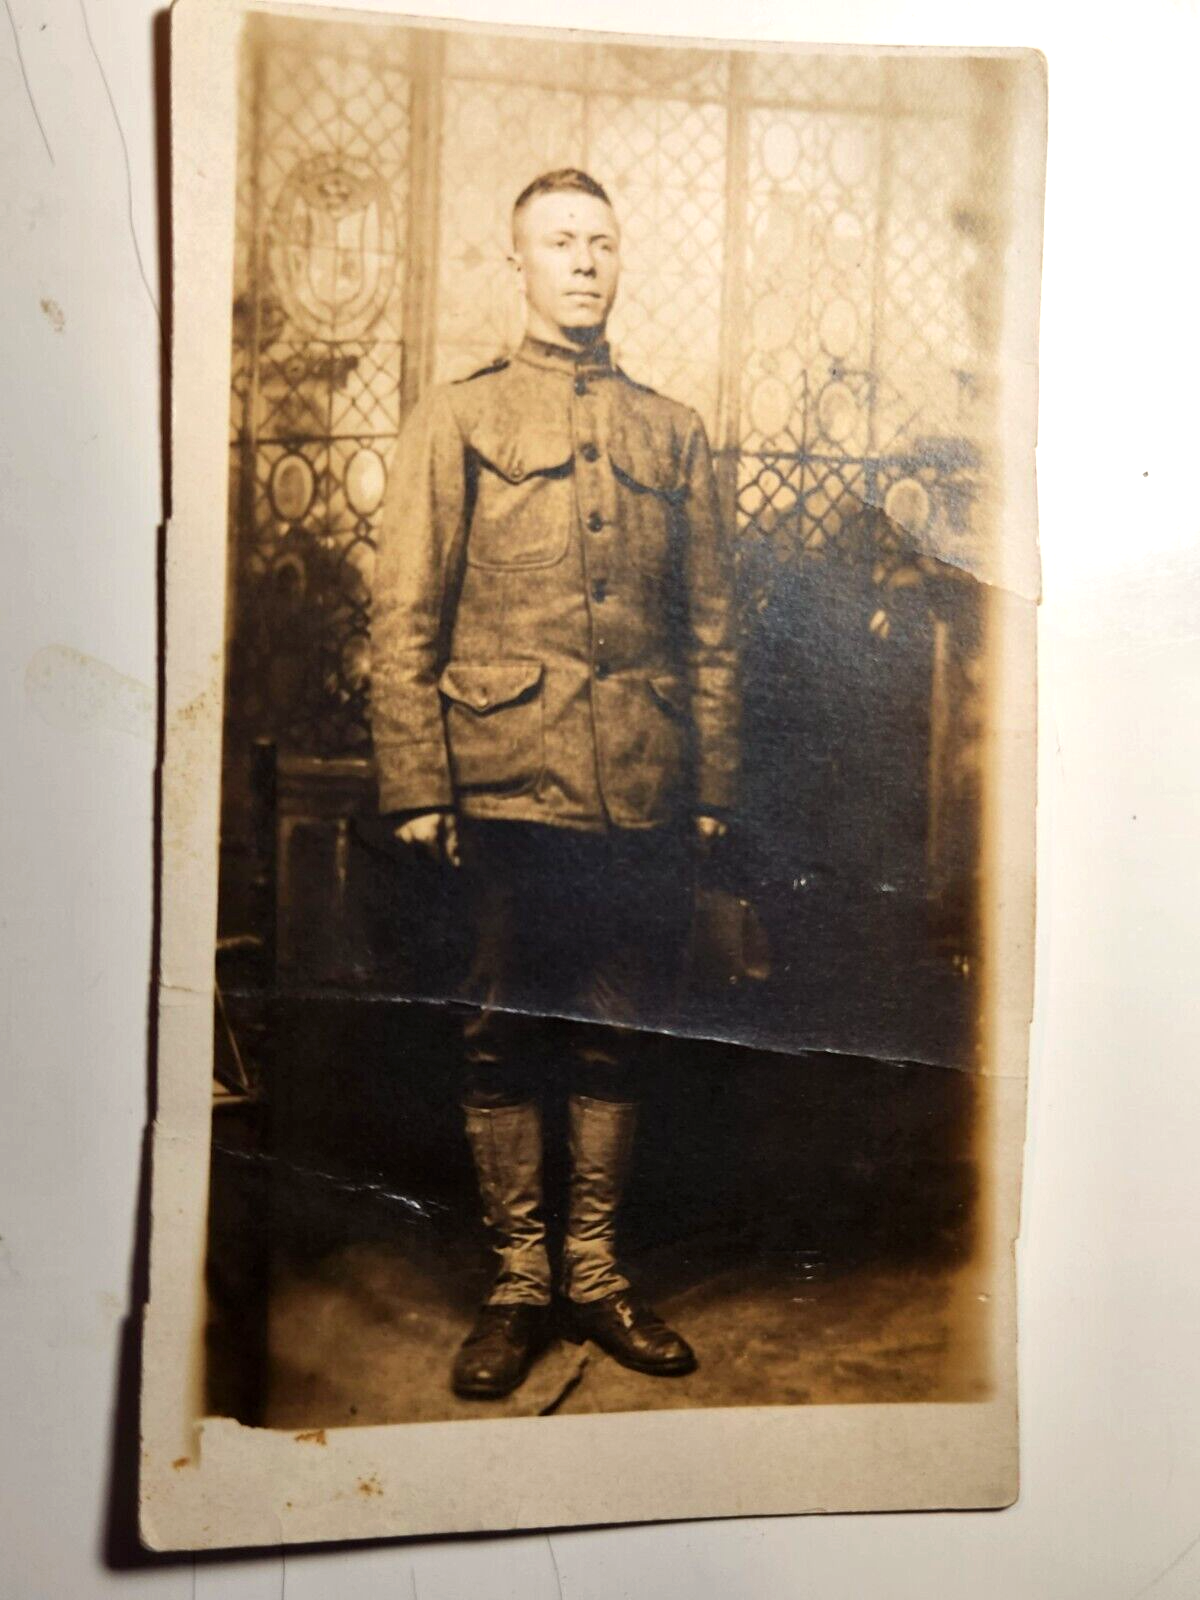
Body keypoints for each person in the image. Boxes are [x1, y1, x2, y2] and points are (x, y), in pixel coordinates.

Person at [371, 168, 739, 1399]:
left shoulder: (672, 430)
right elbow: (405, 618)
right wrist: (419, 782)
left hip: (639, 788)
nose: (583, 262)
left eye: (601, 243)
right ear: (514, 263)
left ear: (621, 264)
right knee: (497, 1040)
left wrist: (711, 789)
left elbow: (713, 634)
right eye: (559, 243)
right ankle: (519, 1285)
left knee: (616, 1035)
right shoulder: (456, 414)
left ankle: (595, 1275)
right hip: (500, 788)